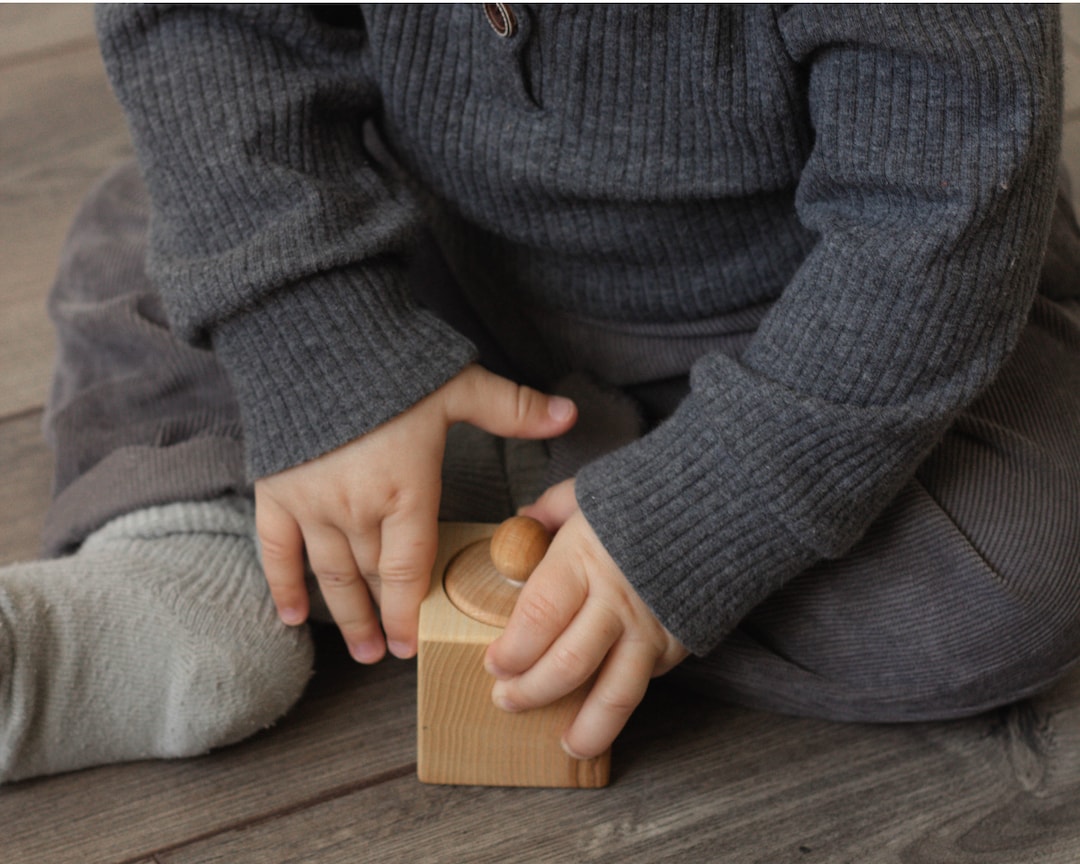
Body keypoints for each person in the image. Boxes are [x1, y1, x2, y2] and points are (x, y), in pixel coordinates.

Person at [2, 4, 1079, 783]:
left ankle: (467, 537)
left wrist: (712, 516)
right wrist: (317, 331)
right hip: (414, 244)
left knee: (1020, 560)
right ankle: (181, 569)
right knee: (164, 222)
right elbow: (209, 34)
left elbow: (931, 224)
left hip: (798, 308)